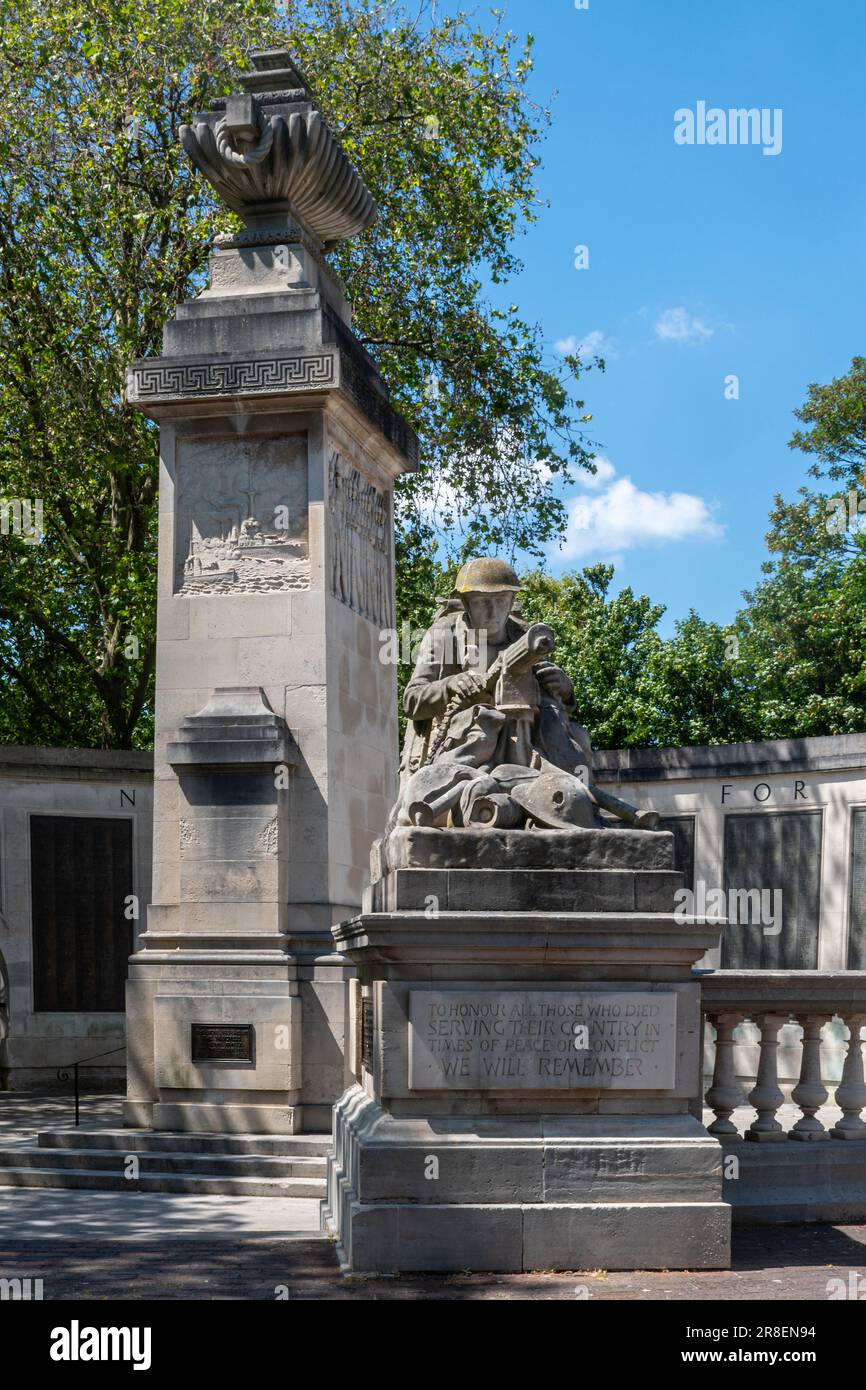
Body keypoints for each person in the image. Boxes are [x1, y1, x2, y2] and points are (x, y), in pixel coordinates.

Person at [395, 556, 657, 831]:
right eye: (482, 602)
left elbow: (556, 701)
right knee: (483, 724)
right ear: (467, 603)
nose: (493, 611)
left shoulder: (522, 635)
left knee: (575, 735)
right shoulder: (444, 635)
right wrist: (451, 685)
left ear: (511, 601)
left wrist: (565, 690)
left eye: (501, 601)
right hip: (468, 733)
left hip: (526, 731)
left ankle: (572, 802)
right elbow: (412, 701)